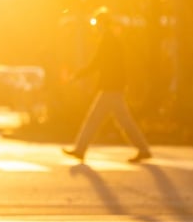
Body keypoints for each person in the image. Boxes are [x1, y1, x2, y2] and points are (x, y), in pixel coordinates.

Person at [62, 8, 152, 164]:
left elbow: (97, 63)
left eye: (97, 23)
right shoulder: (111, 40)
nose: (95, 27)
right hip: (113, 88)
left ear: (103, 24)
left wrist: (78, 75)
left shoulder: (108, 41)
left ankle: (80, 150)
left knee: (95, 120)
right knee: (122, 121)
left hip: (111, 89)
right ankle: (143, 149)